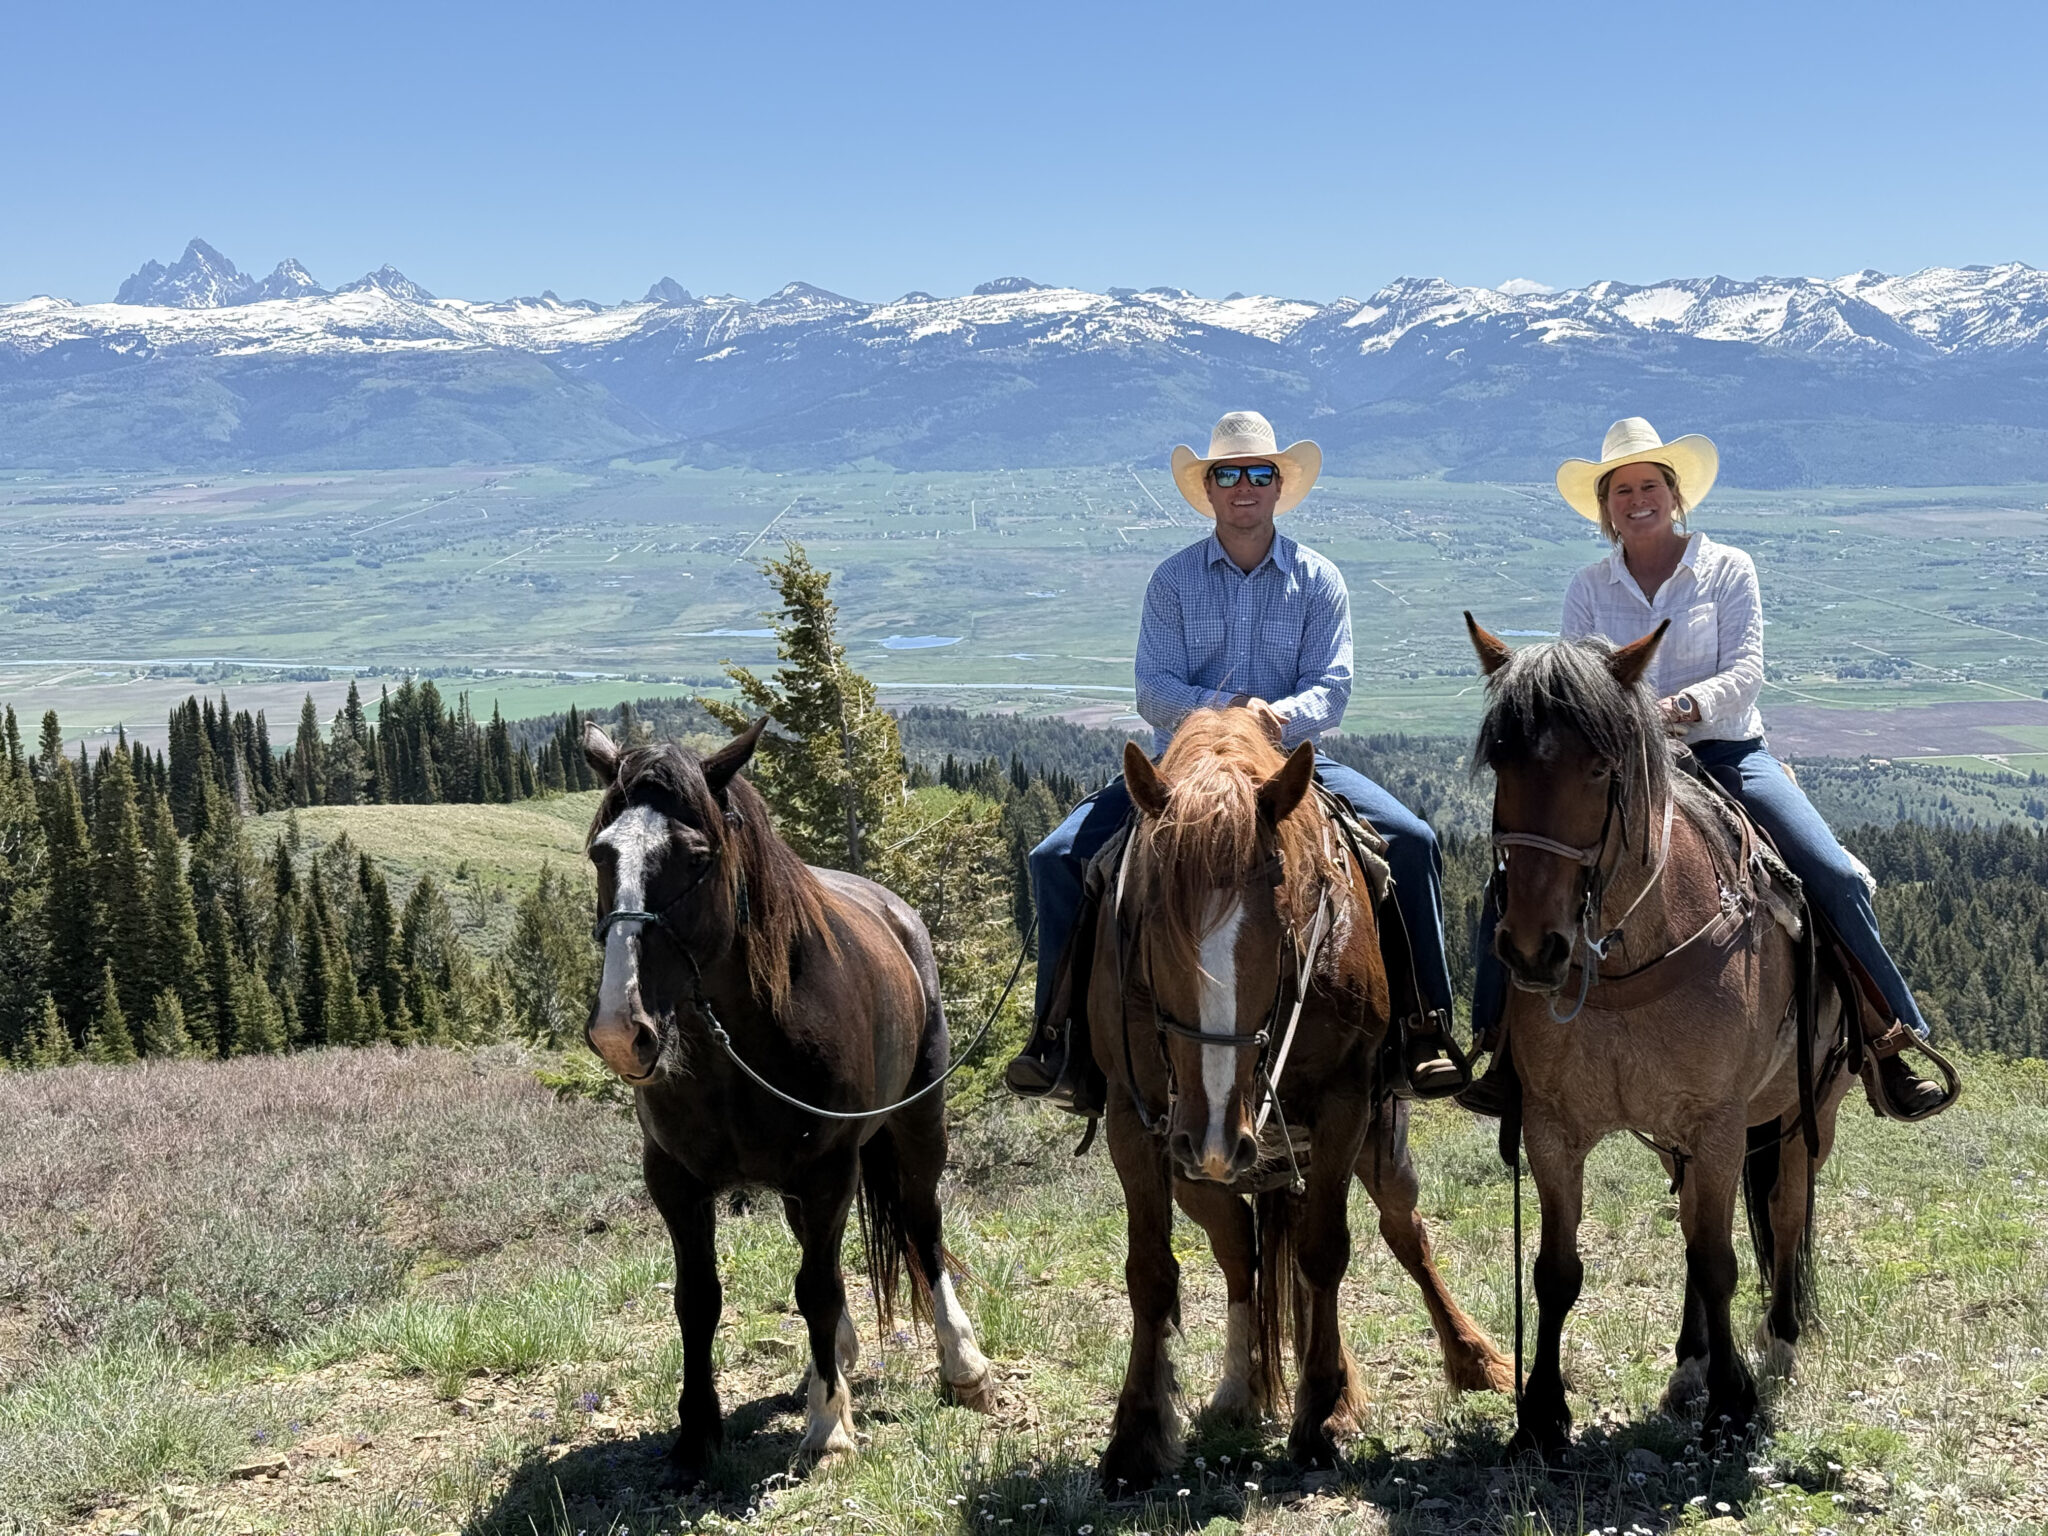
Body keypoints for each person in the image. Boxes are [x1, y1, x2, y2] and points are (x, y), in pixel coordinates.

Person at [1459, 417, 1951, 1121]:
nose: (1637, 500)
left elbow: (1748, 670)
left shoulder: (1727, 569)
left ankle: (1889, 1041)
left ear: (1674, 494)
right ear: (1605, 507)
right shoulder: (1588, 587)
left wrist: (1683, 705)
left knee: (1832, 874)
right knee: (1518, 877)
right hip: (1631, 769)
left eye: (1649, 486)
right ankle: (1501, 1046)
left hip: (1726, 753)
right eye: (1621, 489)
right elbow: (1575, 695)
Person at [1004, 410, 1468, 1114]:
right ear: (1210, 489)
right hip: (1185, 774)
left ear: (1279, 485)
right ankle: (1056, 1037)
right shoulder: (1173, 581)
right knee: (1057, 857)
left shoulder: (1318, 580)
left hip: (1284, 771)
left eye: (1258, 473)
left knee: (1411, 842)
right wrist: (1229, 712)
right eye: (1229, 474)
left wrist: (1269, 719)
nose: (1244, 486)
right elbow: (1152, 689)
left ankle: (1422, 1027)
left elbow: (1332, 690)